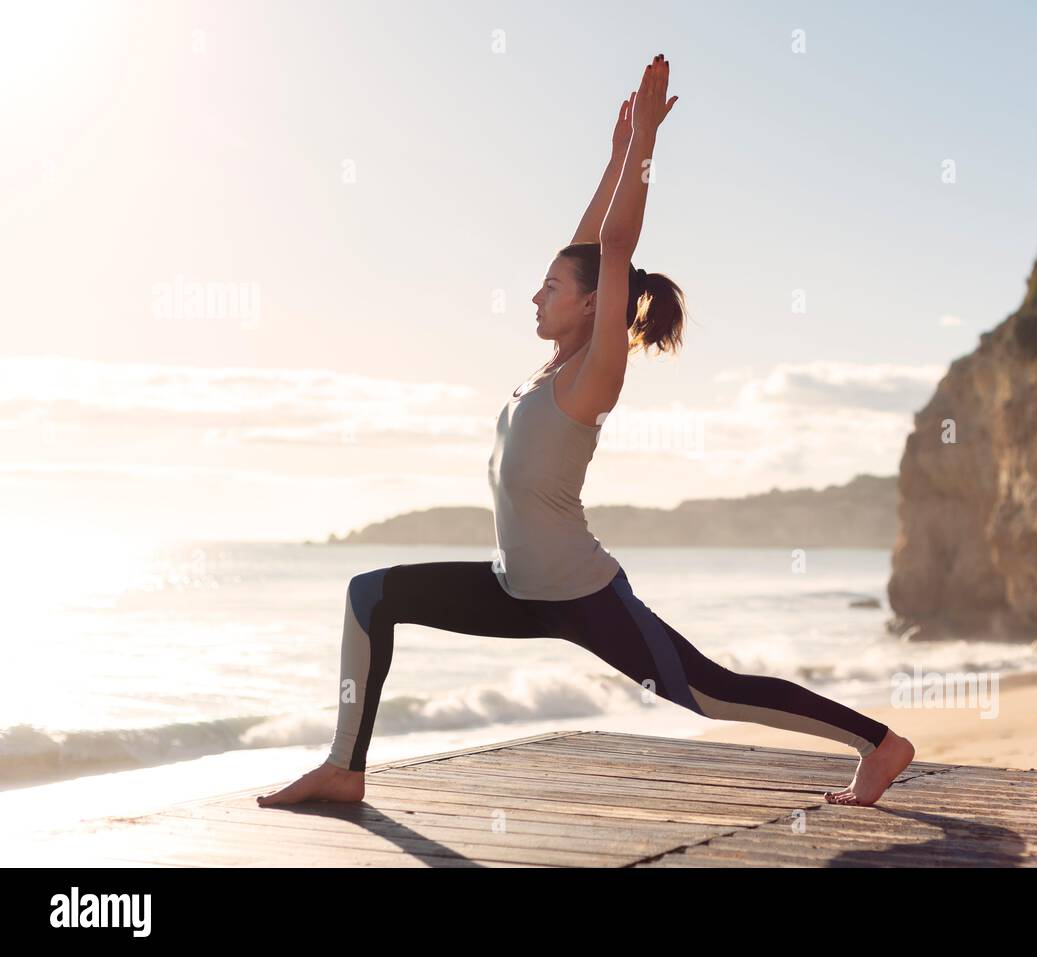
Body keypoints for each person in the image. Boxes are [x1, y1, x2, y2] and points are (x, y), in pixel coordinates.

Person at [258, 54, 913, 810]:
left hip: (582, 594)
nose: (535, 295)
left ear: (592, 307)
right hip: (515, 589)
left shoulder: (592, 374)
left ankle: (879, 742)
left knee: (714, 694)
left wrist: (644, 150)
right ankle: (345, 765)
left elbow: (609, 252)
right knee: (369, 593)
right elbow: (585, 252)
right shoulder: (549, 366)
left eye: (550, 289)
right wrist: (611, 157)